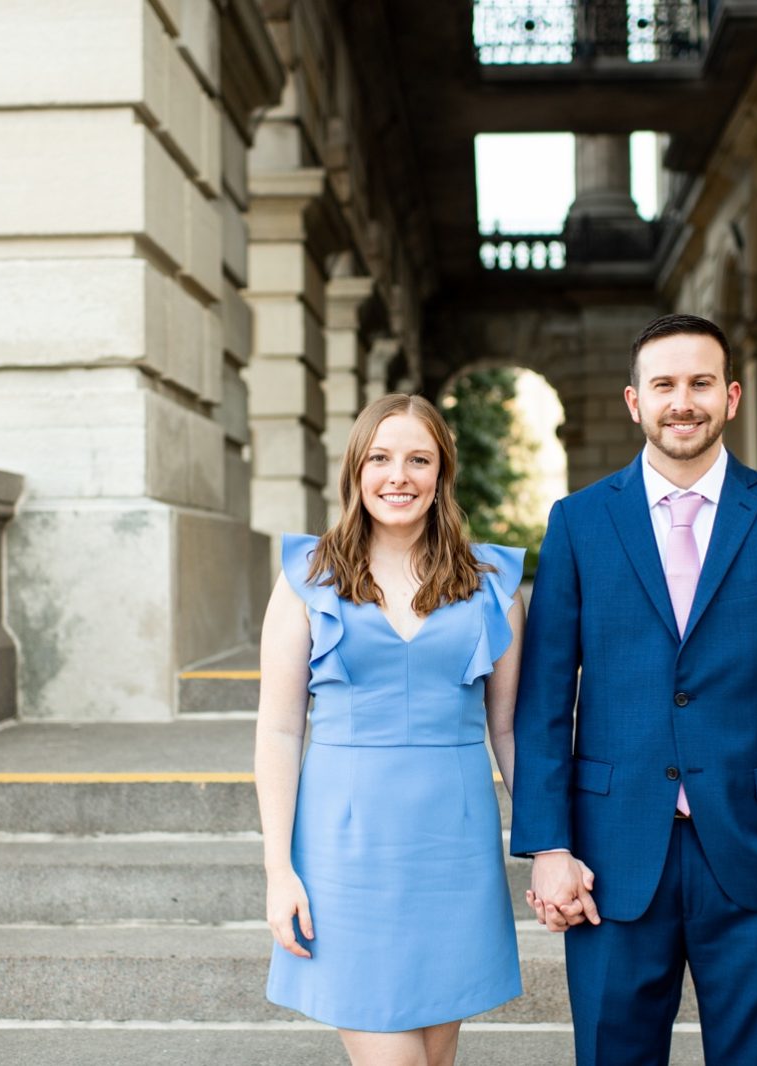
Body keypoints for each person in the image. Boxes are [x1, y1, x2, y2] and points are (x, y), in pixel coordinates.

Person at [510, 313, 757, 1066]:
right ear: (633, 402)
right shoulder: (579, 523)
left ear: (731, 396)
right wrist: (548, 844)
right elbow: (544, 700)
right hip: (611, 857)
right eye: (663, 384)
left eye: (701, 383)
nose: (683, 401)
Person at [256, 393, 526, 1066]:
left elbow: (510, 731)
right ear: (356, 469)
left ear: (442, 473)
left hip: (453, 849)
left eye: (418, 459)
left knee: (434, 1060)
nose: (397, 476)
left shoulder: (494, 584)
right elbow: (280, 731)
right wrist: (278, 870)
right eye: (379, 458)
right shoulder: (307, 578)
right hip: (345, 853)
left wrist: (550, 845)